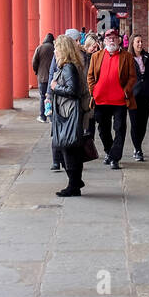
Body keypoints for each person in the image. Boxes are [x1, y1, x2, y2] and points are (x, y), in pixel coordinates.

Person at [86, 28, 136, 169]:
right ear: (104, 41)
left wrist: (125, 91)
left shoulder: (127, 57)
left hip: (119, 100)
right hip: (101, 100)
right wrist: (93, 91)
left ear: (119, 40)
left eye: (114, 38)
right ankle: (109, 151)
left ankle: (115, 158)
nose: (112, 40)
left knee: (120, 128)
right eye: (109, 38)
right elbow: (90, 76)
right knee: (103, 129)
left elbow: (132, 77)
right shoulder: (96, 56)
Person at [49, 34, 90, 197]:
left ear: (63, 49)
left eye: (56, 48)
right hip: (68, 112)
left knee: (66, 148)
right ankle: (75, 182)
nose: (54, 51)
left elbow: (73, 91)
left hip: (69, 113)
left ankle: (74, 184)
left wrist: (55, 87)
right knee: (68, 148)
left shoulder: (68, 67)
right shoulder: (69, 66)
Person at [128, 33, 149, 161]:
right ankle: (137, 149)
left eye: (141, 41)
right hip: (133, 96)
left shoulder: (148, 57)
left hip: (146, 95)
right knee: (135, 123)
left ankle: (138, 145)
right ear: (132, 43)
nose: (140, 44)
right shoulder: (127, 58)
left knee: (143, 124)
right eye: (138, 42)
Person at [31, 32, 55, 122]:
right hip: (53, 78)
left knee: (42, 97)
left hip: (42, 77)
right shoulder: (54, 48)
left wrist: (37, 71)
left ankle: (42, 116)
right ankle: (52, 117)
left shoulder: (40, 48)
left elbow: (34, 62)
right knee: (51, 97)